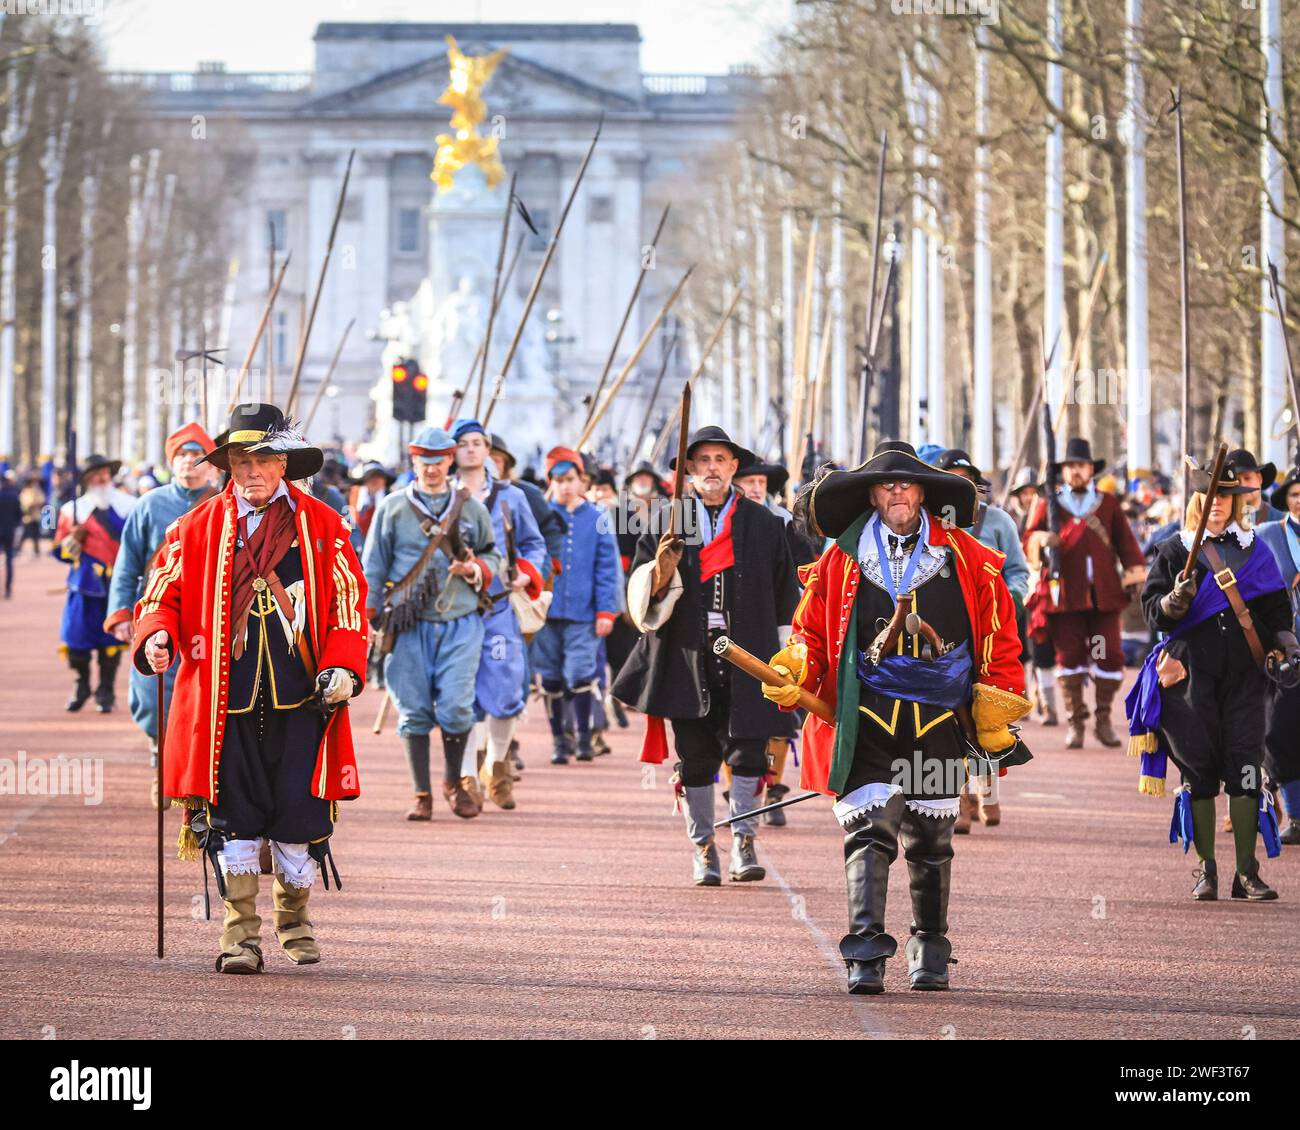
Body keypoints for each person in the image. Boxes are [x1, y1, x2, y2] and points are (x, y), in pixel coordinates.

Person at [766, 441, 1030, 993]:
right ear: (872, 494)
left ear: (923, 492)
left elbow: (1001, 636)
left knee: (931, 839)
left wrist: (999, 698)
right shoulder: (841, 558)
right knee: (870, 829)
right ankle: (866, 954)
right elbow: (811, 632)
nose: (897, 493)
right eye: (886, 485)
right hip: (866, 714)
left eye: (906, 484)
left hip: (939, 719)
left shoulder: (968, 557)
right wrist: (798, 669)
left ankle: (929, 945)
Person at [134, 403, 369, 973]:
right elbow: (160, 596)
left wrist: (343, 667)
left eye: (262, 459)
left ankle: (296, 920)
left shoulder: (323, 524)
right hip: (223, 701)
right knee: (232, 815)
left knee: (298, 810)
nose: (251, 471)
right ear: (228, 466)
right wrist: (156, 636)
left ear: (283, 463)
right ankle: (239, 936)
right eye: (240, 460)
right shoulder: (195, 527)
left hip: (301, 697)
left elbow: (349, 604)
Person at [613, 426, 798, 885]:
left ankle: (744, 841)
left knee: (750, 750)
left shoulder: (766, 524)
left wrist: (790, 658)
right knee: (695, 756)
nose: (712, 468)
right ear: (690, 468)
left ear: (735, 467)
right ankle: (703, 847)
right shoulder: (663, 522)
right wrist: (661, 570)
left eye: (721, 459)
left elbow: (785, 594)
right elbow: (640, 599)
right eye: (704, 460)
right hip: (686, 654)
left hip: (751, 655)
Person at [1129, 460, 1296, 901]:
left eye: (1225, 498)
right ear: (1197, 502)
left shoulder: (1256, 550)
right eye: (1209, 498)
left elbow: (1279, 610)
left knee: (1245, 768)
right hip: (1188, 678)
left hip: (1246, 677)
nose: (1217, 505)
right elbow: (1152, 613)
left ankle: (1247, 872)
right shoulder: (1172, 551)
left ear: (1236, 502)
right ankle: (1207, 870)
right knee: (1198, 772)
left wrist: (1286, 644)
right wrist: (1172, 601)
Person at [362, 424, 500, 820]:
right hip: (407, 622)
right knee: (414, 710)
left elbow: (494, 557)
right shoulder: (392, 507)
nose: (431, 469)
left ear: (449, 461)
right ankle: (422, 794)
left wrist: (474, 568)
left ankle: (454, 782)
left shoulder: (470, 507)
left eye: (438, 461)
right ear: (414, 461)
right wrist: (369, 617)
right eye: (424, 461)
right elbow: (373, 567)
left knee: (457, 707)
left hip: (460, 619)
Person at [105, 423, 220, 761]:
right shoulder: (148, 505)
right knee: (153, 685)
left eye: (197, 454)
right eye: (182, 454)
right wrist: (123, 612)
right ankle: (160, 745)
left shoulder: (224, 504)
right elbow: (127, 563)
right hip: (159, 607)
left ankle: (197, 759)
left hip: (208, 610)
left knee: (208, 687)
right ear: (172, 461)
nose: (189, 461)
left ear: (210, 462)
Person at [1024, 437, 1146, 748]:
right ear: (1063, 472)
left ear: (1091, 469)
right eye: (1070, 467)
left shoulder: (1107, 504)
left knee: (1107, 657)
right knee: (1070, 657)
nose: (1076, 472)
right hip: (1065, 596)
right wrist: (1042, 539)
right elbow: (1028, 540)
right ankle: (1076, 723)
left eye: (1081, 466)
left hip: (1102, 597)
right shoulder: (1048, 503)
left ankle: (1102, 720)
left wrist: (1135, 577)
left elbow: (1127, 545)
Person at [451, 418, 546, 810]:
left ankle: (497, 762)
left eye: (478, 442)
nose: (471, 449)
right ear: (451, 451)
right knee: (461, 692)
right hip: (455, 607)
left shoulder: (512, 497)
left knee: (507, 688)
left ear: (489, 451)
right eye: (464, 443)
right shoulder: (442, 496)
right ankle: (468, 776)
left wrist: (527, 571)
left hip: (500, 604)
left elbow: (533, 543)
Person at [937, 448, 1029, 832]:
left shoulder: (998, 522)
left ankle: (988, 791)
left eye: (967, 480)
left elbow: (1019, 571)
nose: (962, 487)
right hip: (945, 636)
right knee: (948, 716)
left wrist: (1012, 601)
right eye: (952, 479)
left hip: (991, 631)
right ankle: (960, 799)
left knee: (988, 712)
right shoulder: (931, 527)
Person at [532, 445, 622, 763]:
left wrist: (607, 610)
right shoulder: (539, 516)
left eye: (571, 478)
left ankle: (585, 737)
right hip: (546, 610)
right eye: (560, 480)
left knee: (581, 674)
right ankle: (560, 740)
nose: (566, 485)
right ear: (551, 482)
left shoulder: (597, 517)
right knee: (552, 678)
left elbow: (607, 567)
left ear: (581, 480)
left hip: (584, 613)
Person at [53, 454, 136, 713]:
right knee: (76, 641)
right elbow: (60, 553)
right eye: (95, 475)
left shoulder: (130, 506)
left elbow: (136, 545)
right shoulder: (71, 511)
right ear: (87, 480)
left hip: (116, 584)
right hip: (83, 585)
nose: (101, 479)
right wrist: (73, 541)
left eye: (104, 473)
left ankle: (106, 691)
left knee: (110, 643)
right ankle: (82, 685)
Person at [1254, 465, 1300, 843]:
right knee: (1281, 730)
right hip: (1286, 646)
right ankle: (1295, 815)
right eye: (1295, 494)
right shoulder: (1269, 534)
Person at [1226, 448, 1283, 528]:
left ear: (1259, 478)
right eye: (1236, 480)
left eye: (1247, 478)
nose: (1243, 485)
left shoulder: (1280, 521)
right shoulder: (1221, 522)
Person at [0, 470, 20, 598]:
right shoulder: (13, 495)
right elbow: (19, 516)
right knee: (9, 560)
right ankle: (8, 588)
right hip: (9, 531)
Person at [19, 475, 45, 557]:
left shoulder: (37, 490)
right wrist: (34, 502)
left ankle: (36, 550)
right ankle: (18, 549)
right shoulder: (25, 491)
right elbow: (26, 503)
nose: (35, 483)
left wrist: (35, 502)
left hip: (36, 516)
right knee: (25, 534)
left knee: (36, 535)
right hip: (28, 517)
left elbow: (42, 499)